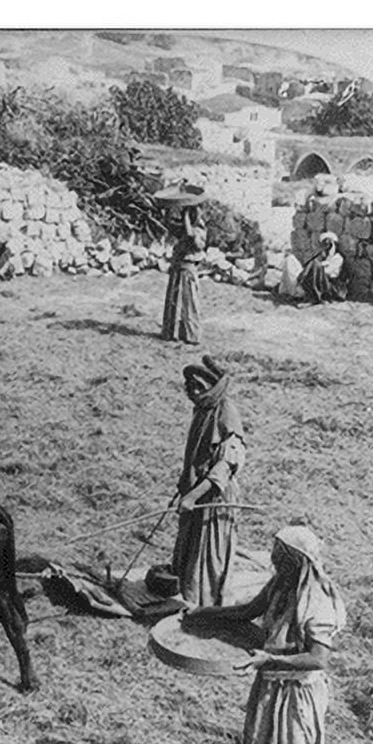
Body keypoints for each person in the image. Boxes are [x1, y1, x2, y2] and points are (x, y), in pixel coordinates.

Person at [185, 525, 347, 744]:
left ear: (297, 562)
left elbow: (319, 659)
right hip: (271, 682)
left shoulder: (316, 601)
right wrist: (205, 613)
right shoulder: (281, 584)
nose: (274, 564)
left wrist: (271, 658)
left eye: (280, 559)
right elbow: (247, 612)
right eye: (273, 557)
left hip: (297, 693)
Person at [170, 356, 246, 607]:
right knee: (190, 550)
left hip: (215, 497)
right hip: (196, 491)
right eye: (189, 386)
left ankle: (204, 606)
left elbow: (224, 467)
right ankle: (188, 595)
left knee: (208, 554)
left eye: (198, 386)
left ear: (212, 387)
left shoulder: (226, 414)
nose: (192, 391)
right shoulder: (203, 410)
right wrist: (185, 487)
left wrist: (193, 496)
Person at [160, 204, 208, 344]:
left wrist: (186, 216)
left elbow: (190, 235)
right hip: (178, 269)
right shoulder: (183, 229)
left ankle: (190, 335)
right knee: (175, 302)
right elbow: (170, 225)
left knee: (189, 304)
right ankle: (173, 333)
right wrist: (168, 211)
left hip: (188, 271)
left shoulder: (200, 231)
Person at [297, 230, 351, 305]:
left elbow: (328, 272)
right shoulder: (327, 257)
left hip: (332, 286)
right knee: (314, 265)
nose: (326, 248)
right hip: (323, 281)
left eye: (328, 245)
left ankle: (315, 297)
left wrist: (318, 266)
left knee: (315, 266)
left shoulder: (338, 258)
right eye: (325, 245)